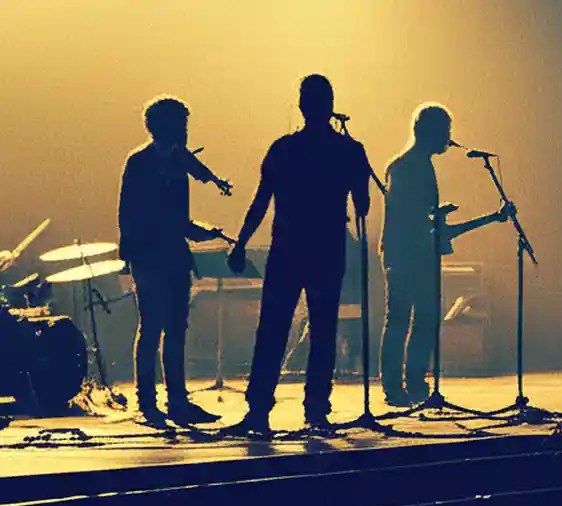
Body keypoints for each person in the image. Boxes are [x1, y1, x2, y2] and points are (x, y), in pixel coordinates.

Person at [226, 75, 372, 432]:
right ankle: (316, 411)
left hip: (287, 250)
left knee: (272, 329)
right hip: (327, 252)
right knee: (323, 331)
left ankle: (259, 411)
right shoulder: (350, 151)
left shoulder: (283, 148)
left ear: (302, 106)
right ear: (331, 105)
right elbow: (364, 207)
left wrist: (241, 243)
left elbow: (261, 201)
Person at [379, 103, 511, 406]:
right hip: (404, 255)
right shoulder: (404, 166)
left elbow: (423, 220)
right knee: (401, 318)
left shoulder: (419, 166)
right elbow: (407, 217)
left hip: (417, 253)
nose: (449, 138)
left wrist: (440, 219)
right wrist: (440, 221)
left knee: (423, 318)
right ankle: (395, 387)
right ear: (427, 132)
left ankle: (413, 384)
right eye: (445, 131)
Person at [117, 95, 226, 425]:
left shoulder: (178, 164)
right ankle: (148, 403)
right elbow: (131, 215)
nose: (185, 130)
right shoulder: (139, 163)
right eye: (181, 124)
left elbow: (178, 217)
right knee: (152, 327)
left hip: (172, 255)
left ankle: (176, 401)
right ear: (163, 127)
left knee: (176, 327)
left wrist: (199, 232)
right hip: (150, 256)